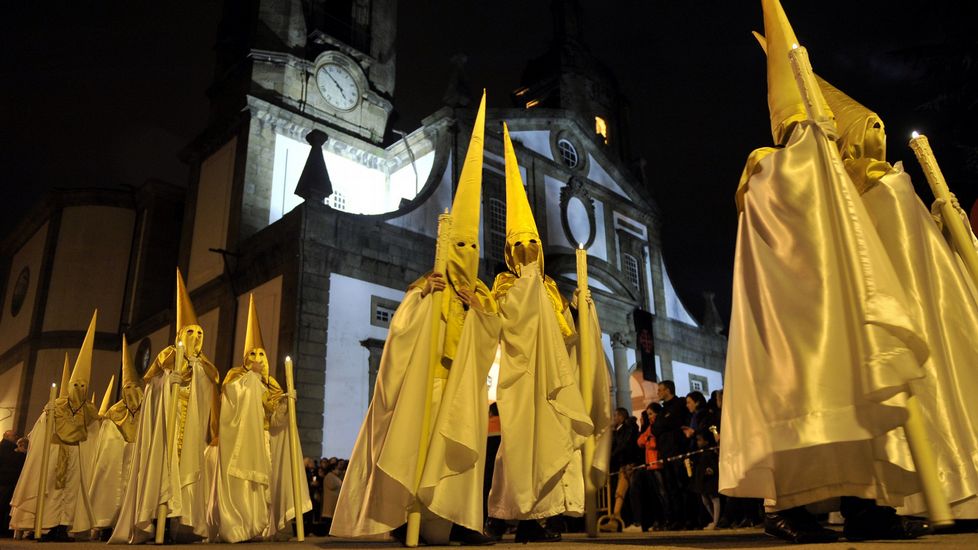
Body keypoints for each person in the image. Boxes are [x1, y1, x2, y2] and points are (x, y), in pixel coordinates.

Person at [720, 0, 932, 543]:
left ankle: (866, 503)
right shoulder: (768, 169)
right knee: (802, 399)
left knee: (856, 395)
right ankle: (786, 507)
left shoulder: (837, 179)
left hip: (841, 308)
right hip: (795, 317)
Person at [330, 92, 499, 546]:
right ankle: (410, 519)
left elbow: (491, 341)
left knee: (459, 459)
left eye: (473, 246)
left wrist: (480, 311)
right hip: (431, 383)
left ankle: (461, 523)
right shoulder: (428, 286)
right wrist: (421, 297)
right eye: (460, 245)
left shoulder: (480, 296)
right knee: (419, 449)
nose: (468, 252)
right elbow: (401, 332)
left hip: (463, 388)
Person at [486, 123, 595, 543]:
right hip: (521, 377)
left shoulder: (549, 287)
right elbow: (503, 323)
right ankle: (505, 516)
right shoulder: (504, 285)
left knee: (550, 444)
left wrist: (579, 310)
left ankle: (540, 518)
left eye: (533, 244)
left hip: (549, 380)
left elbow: (564, 335)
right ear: (509, 254)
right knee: (517, 448)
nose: (527, 251)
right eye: (519, 246)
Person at [110, 269, 220, 543]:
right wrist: (169, 381)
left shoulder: (203, 367)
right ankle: (157, 524)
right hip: (166, 433)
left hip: (189, 433)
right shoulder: (166, 359)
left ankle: (177, 527)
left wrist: (194, 379)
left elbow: (205, 396)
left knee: (185, 475)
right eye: (190, 332)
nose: (196, 336)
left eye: (200, 332)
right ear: (180, 334)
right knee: (163, 473)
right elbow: (152, 390)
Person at [211, 294, 311, 542]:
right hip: (244, 441)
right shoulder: (236, 378)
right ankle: (243, 525)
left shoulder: (272, 384)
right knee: (246, 485)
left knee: (266, 484)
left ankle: (265, 526)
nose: (257, 360)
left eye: (261, 356)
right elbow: (232, 402)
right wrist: (251, 380)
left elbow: (276, 422)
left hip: (266, 441)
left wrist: (286, 403)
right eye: (252, 355)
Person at [10, 312, 100, 541]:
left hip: (75, 454)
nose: (79, 389)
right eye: (76, 385)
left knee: (71, 492)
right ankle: (44, 525)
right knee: (49, 488)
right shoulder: (55, 408)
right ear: (69, 386)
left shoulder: (89, 411)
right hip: (54, 452)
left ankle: (62, 525)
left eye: (83, 385)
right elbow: (41, 432)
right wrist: (46, 420)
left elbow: (94, 433)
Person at [88, 336, 142, 538]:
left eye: (135, 387)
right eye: (127, 388)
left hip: (137, 457)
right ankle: (106, 524)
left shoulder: (148, 410)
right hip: (117, 459)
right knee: (111, 491)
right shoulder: (114, 412)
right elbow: (106, 443)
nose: (132, 392)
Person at [652, 380, 689, 530]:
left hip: (677, 451)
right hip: (665, 453)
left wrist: (663, 424)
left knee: (682, 486)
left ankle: (687, 519)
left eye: (660, 390)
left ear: (668, 390)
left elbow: (673, 422)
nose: (658, 392)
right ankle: (676, 519)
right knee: (671, 488)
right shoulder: (662, 410)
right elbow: (655, 429)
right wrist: (663, 424)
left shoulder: (679, 404)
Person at [635, 403, 669, 531]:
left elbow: (653, 444)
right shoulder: (650, 427)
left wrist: (647, 439)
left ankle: (667, 518)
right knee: (658, 494)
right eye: (648, 414)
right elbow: (640, 441)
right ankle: (662, 519)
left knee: (663, 493)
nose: (649, 417)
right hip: (651, 464)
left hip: (657, 463)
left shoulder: (657, 426)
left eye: (651, 414)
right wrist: (647, 438)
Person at [691, 430, 720, 529]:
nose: (697, 442)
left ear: (706, 441)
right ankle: (714, 519)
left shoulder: (711, 451)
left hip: (710, 479)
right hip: (702, 479)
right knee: (705, 500)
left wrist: (712, 469)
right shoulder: (700, 452)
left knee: (714, 498)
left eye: (700, 440)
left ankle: (716, 522)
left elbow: (714, 463)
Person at [0, 430, 20, 537]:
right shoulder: (7, 449)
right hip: (6, 480)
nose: (16, 437)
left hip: (5, 480)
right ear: (6, 436)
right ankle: (4, 530)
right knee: (4, 506)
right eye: (13, 435)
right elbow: (12, 462)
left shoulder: (5, 448)